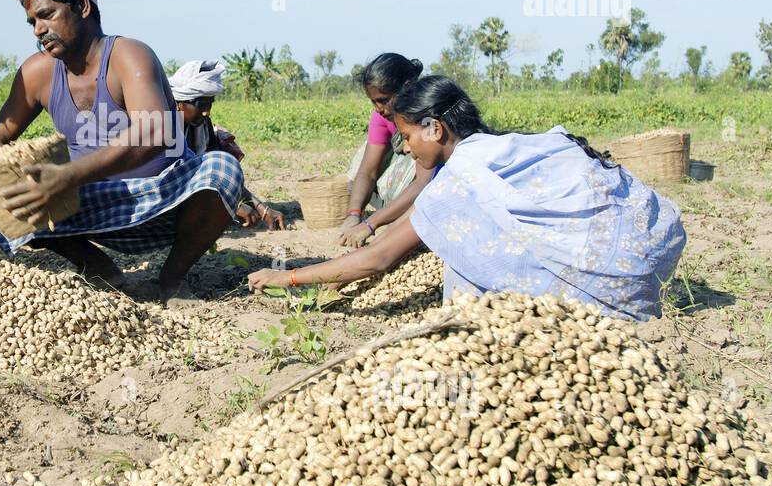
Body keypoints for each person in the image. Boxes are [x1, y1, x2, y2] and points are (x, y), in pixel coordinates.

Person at [247, 76, 686, 321]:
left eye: (406, 137)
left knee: (463, 267)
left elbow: (376, 259)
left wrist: (287, 279)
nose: (405, 149)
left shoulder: (459, 180)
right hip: (648, 263)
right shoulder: (508, 145)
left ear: (435, 128)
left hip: (610, 294)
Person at [0, 0, 245, 303]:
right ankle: (94, 263)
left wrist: (69, 174)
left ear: (82, 6)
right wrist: (0, 168)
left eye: (46, 15)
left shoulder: (129, 56)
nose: (38, 30)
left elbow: (154, 134)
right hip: (86, 205)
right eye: (31, 21)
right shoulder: (36, 72)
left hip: (160, 199)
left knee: (222, 170)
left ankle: (170, 281)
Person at [168, 59, 285, 230]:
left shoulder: (203, 126)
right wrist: (231, 205)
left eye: (209, 105)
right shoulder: (165, 130)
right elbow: (177, 181)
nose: (206, 112)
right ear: (179, 103)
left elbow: (217, 176)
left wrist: (262, 208)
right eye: (201, 106)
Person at [337, 53, 434, 248]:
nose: (378, 109)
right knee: (363, 155)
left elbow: (424, 181)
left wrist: (371, 224)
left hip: (431, 182)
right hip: (414, 183)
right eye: (373, 102)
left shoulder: (427, 116)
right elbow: (367, 170)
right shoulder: (382, 116)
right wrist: (354, 215)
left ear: (406, 88)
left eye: (383, 100)